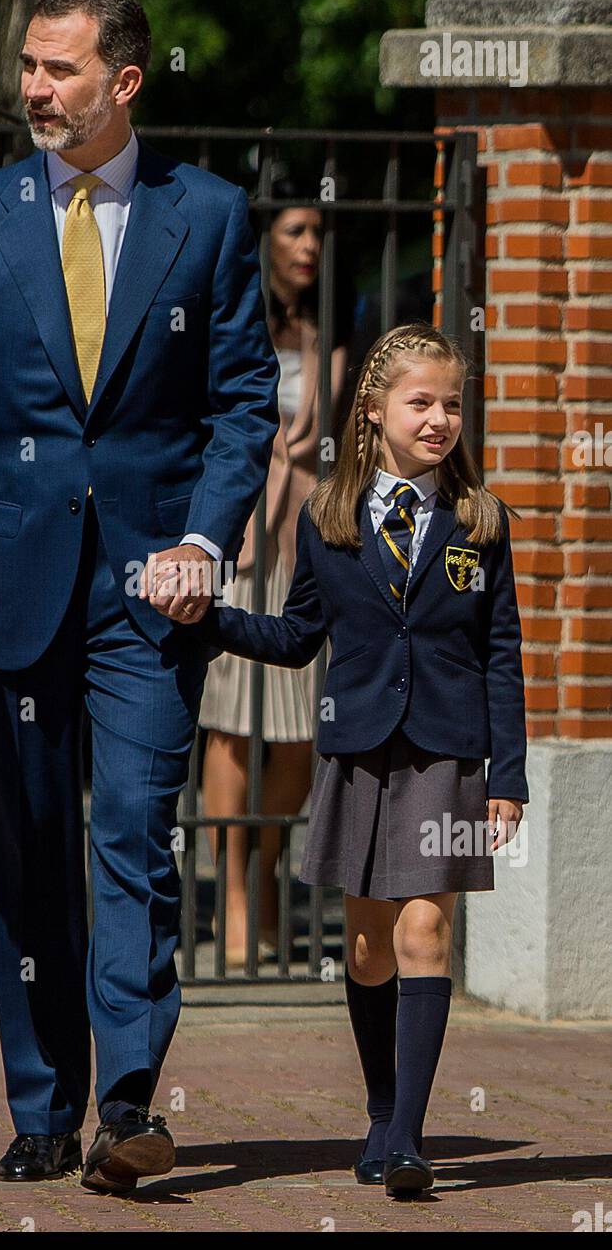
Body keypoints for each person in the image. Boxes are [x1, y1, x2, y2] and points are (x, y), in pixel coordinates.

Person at [0, 0, 279, 1196]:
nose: (33, 91)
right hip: (6, 581)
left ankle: (125, 1102)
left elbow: (241, 406)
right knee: (32, 843)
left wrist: (205, 547)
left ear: (124, 82)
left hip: (150, 594)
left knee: (132, 832)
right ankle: (43, 1105)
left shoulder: (204, 215)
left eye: (59, 70)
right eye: (26, 68)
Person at [178, 321, 528, 1198]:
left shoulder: (480, 521)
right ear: (373, 412)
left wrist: (508, 779)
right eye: (421, 402)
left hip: (448, 758)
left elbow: (503, 655)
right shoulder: (327, 520)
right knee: (368, 945)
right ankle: (381, 1112)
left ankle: (408, 1139)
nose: (440, 418)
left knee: (424, 931)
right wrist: (209, 618)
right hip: (360, 755)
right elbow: (298, 637)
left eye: (452, 403)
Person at [198, 178, 355, 966]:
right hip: (238, 547)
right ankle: (230, 894)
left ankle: (264, 870)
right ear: (265, 239)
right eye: (295, 230)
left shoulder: (328, 334)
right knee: (229, 727)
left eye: (317, 233)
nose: (308, 247)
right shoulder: (233, 326)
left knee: (300, 735)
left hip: (300, 553)